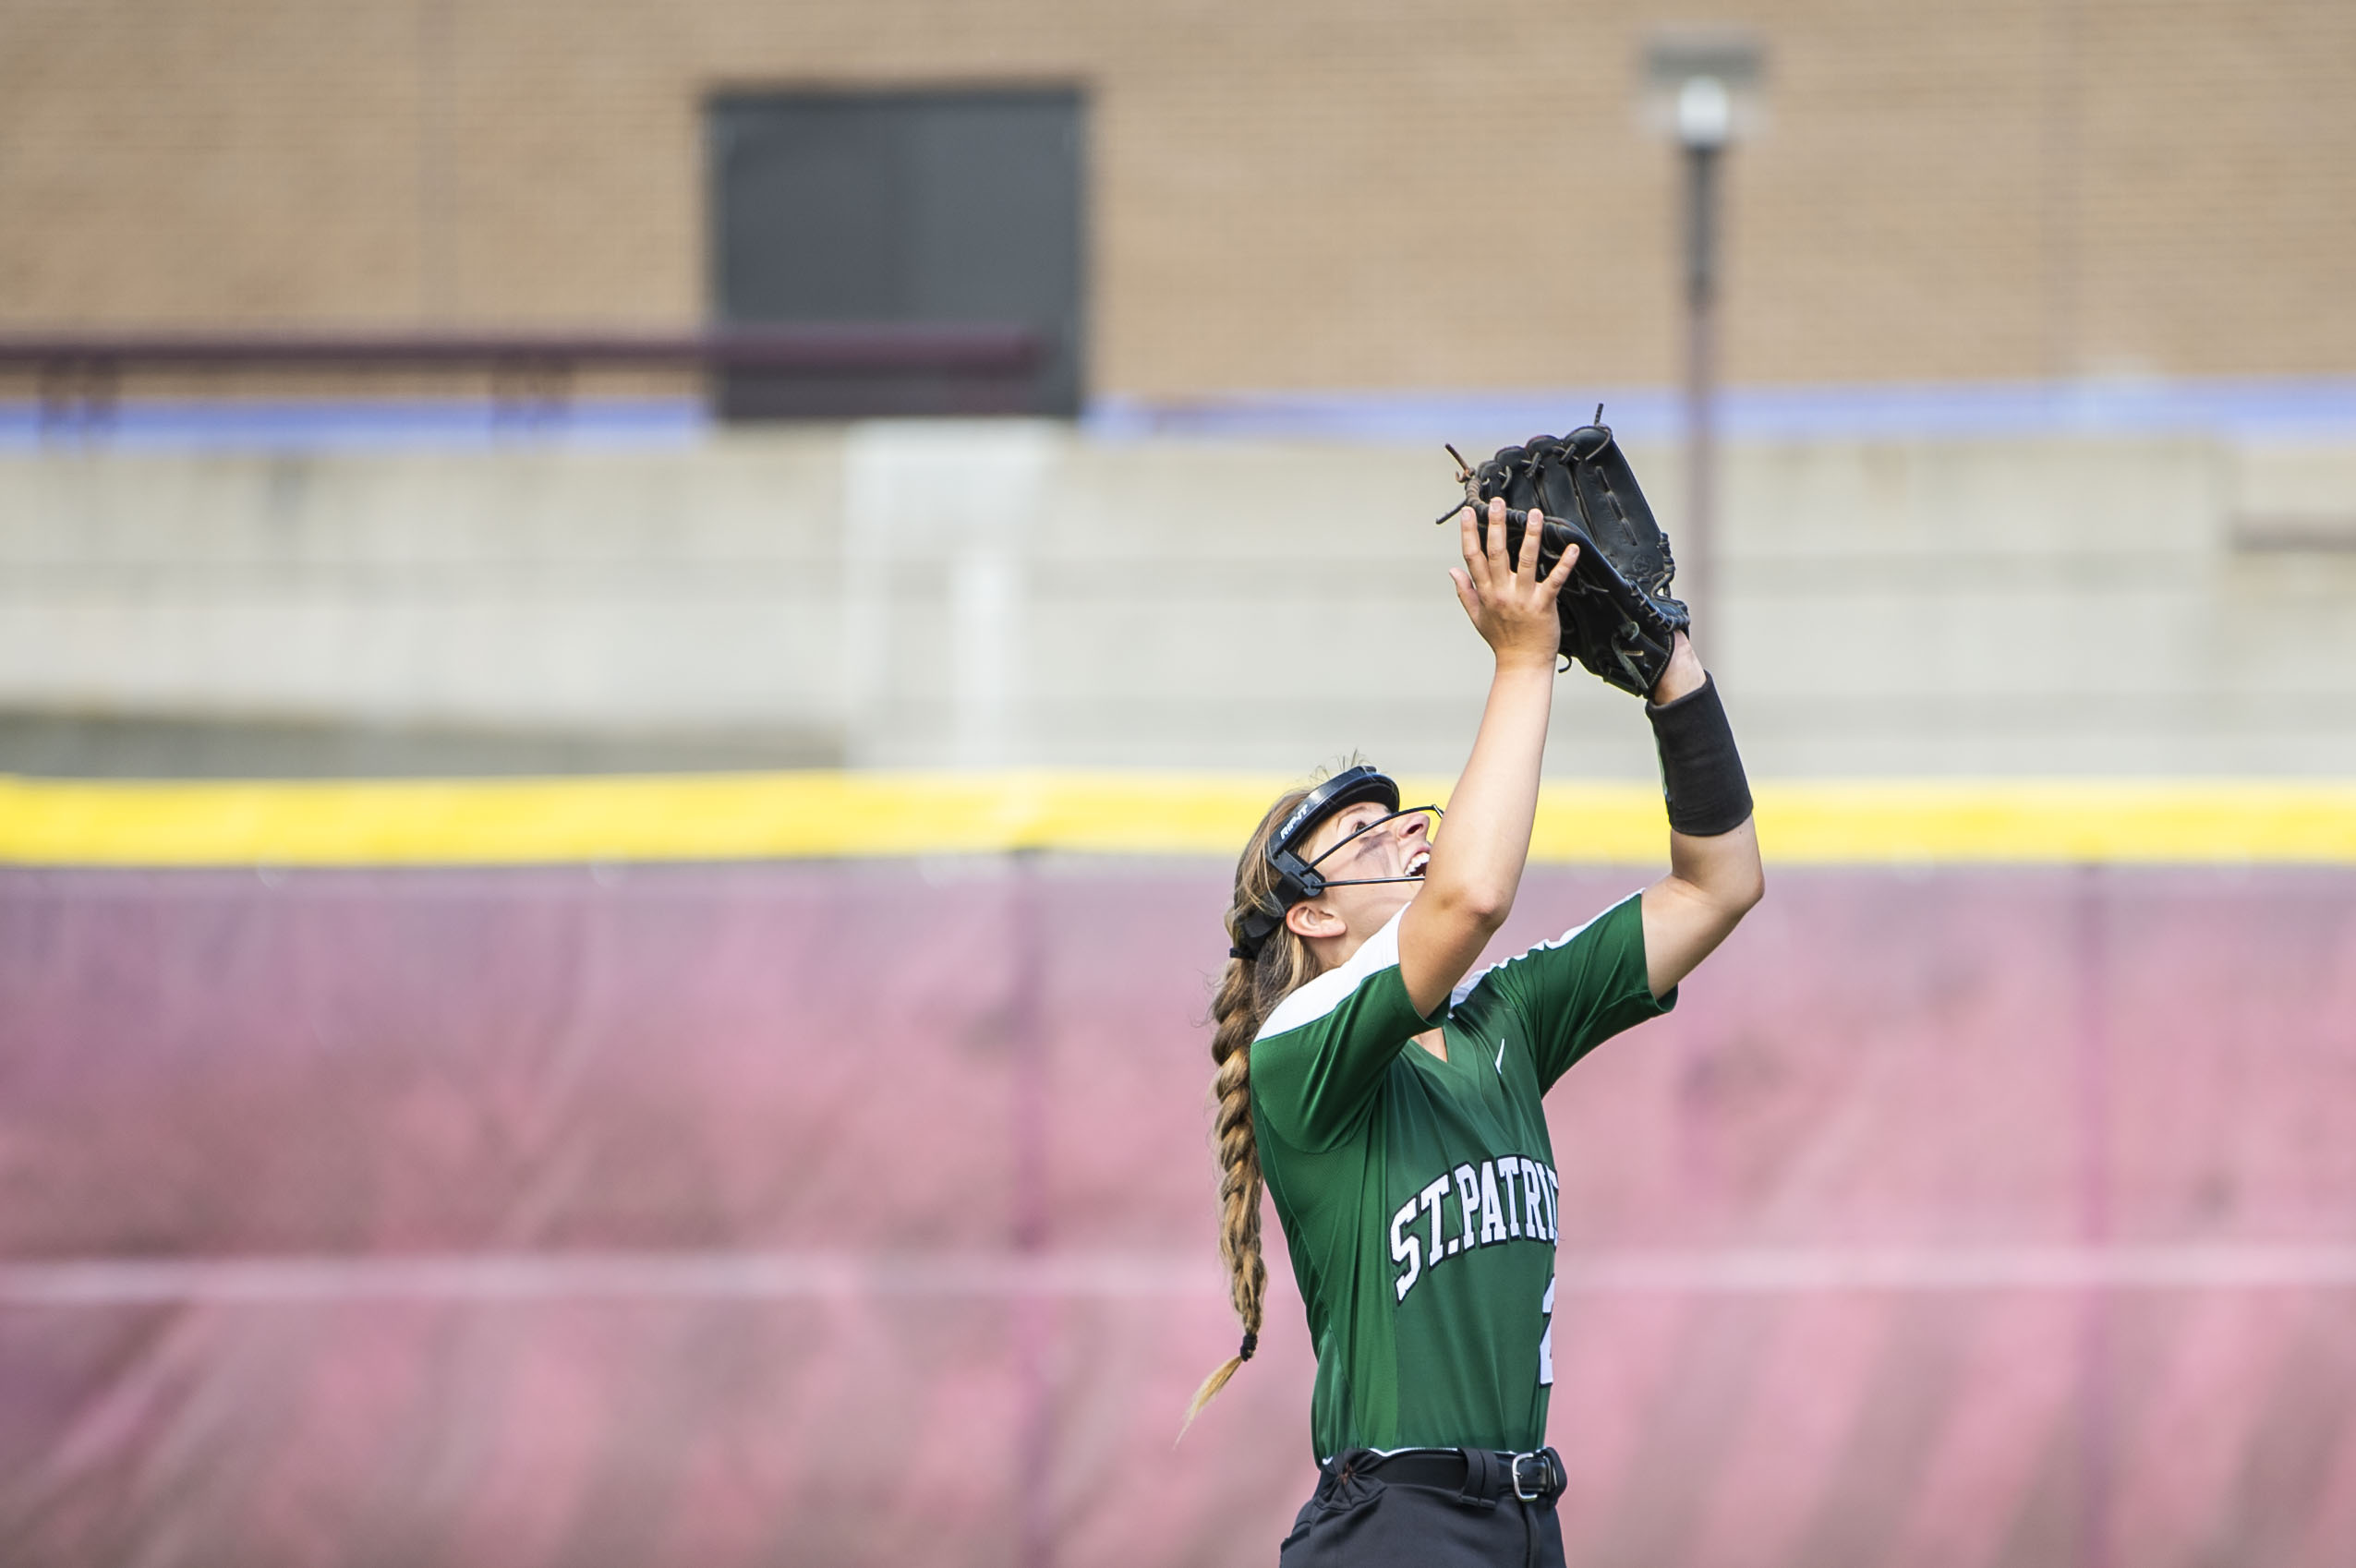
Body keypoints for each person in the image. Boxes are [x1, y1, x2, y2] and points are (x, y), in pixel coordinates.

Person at [1190, 497, 1765, 1566]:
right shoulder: (1299, 1053)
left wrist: (1673, 675)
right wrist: (1520, 660)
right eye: (1367, 833)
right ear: (1310, 915)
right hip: (1396, 1527)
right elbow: (1468, 902)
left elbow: (1718, 886)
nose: (1411, 825)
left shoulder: (1504, 1024)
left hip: (1525, 1526)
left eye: (1406, 813)